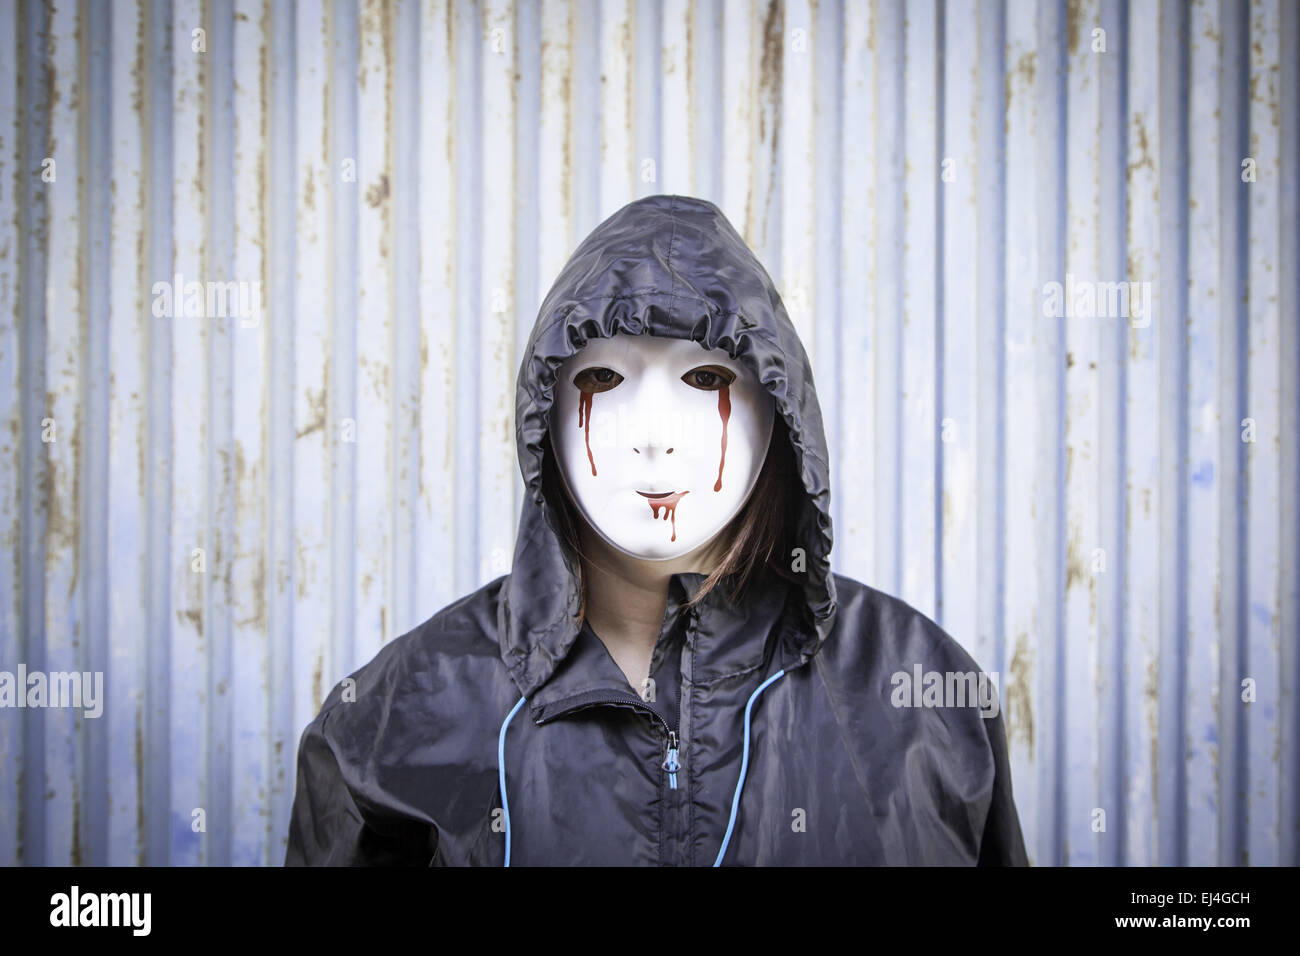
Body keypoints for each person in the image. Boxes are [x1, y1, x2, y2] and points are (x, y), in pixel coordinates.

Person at [284, 194, 1028, 866]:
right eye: (602, 379)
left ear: (781, 413)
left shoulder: (927, 703)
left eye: (705, 378)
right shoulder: (390, 721)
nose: (652, 436)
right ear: (546, 414)